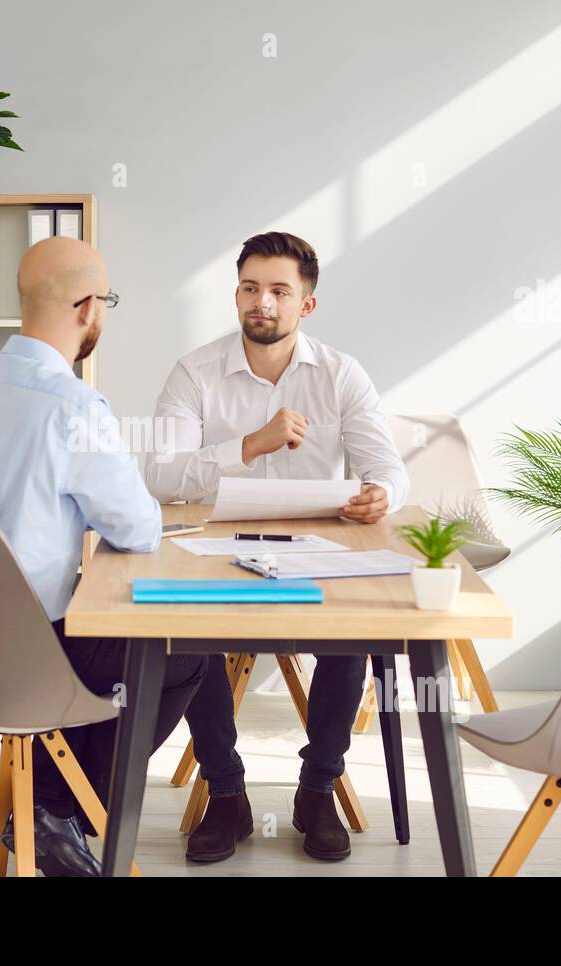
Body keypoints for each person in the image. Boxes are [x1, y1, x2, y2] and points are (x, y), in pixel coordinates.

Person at [0, 236, 208, 876]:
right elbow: (138, 529)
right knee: (185, 645)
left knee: (84, 631)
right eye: (106, 301)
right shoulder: (74, 406)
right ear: (86, 308)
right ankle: (57, 809)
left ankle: (51, 809)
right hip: (30, 660)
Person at [143, 231, 409, 863]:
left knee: (353, 636)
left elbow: (390, 470)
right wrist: (249, 445)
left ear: (306, 306)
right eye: (250, 288)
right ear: (236, 295)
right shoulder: (195, 372)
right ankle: (226, 791)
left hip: (317, 552)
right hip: (217, 552)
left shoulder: (343, 375)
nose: (262, 302)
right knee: (186, 632)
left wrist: (382, 496)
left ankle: (316, 789)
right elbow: (157, 475)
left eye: (279, 291)